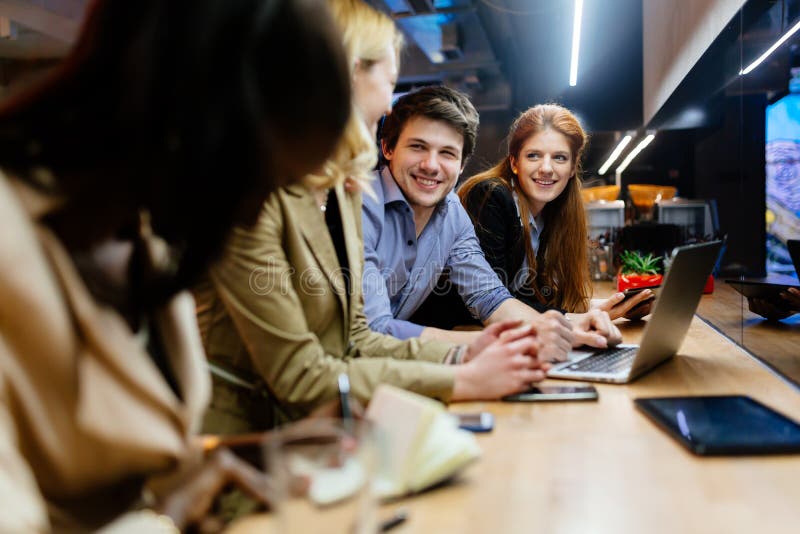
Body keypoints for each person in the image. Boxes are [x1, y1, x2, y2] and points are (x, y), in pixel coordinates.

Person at [0, 0, 352, 531]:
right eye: (256, 179)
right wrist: (168, 517)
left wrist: (256, 452)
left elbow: (121, 462)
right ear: (186, 113)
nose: (253, 213)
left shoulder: (141, 234)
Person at [195, 0, 548, 436]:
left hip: (319, 432)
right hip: (238, 447)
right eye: (390, 83)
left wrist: (466, 354)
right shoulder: (247, 193)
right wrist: (464, 378)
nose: (386, 108)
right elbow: (300, 374)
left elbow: (357, 339)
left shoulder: (341, 191)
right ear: (345, 75)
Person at [361, 87, 622, 357]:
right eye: (418, 147)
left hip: (395, 360)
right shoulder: (358, 205)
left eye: (448, 153)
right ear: (388, 147)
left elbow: (490, 298)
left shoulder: (453, 213)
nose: (431, 165)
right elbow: (373, 330)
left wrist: (565, 331)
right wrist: (502, 340)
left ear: (462, 164)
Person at [458, 104, 655, 321]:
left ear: (572, 167)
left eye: (559, 157)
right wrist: (576, 319)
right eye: (533, 155)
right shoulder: (490, 196)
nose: (546, 168)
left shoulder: (551, 213)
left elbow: (534, 299)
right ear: (514, 162)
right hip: (459, 331)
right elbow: (493, 304)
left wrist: (612, 306)